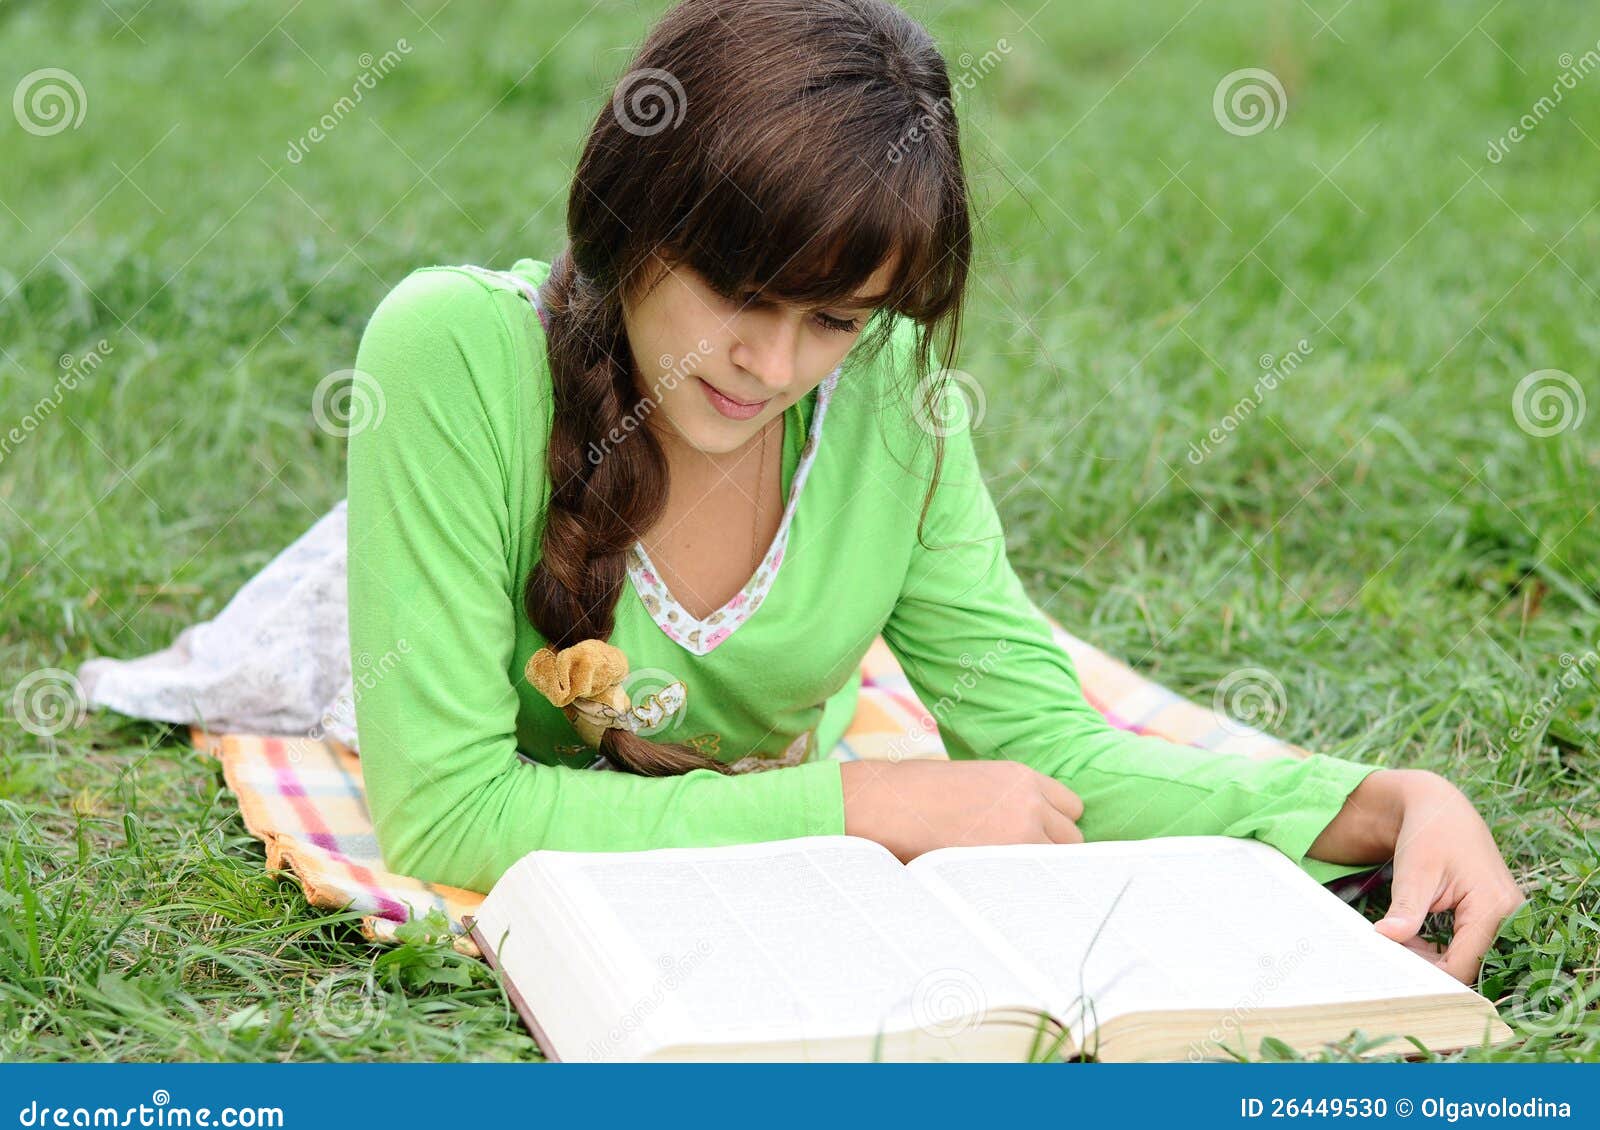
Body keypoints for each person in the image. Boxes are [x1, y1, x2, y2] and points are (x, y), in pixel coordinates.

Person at [345, 0, 1523, 984]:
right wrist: (861, 807)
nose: (773, 366)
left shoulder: (891, 398)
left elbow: (1044, 752)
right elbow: (449, 810)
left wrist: (1383, 802)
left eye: (833, 319)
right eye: (735, 293)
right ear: (631, 214)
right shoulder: (452, 353)